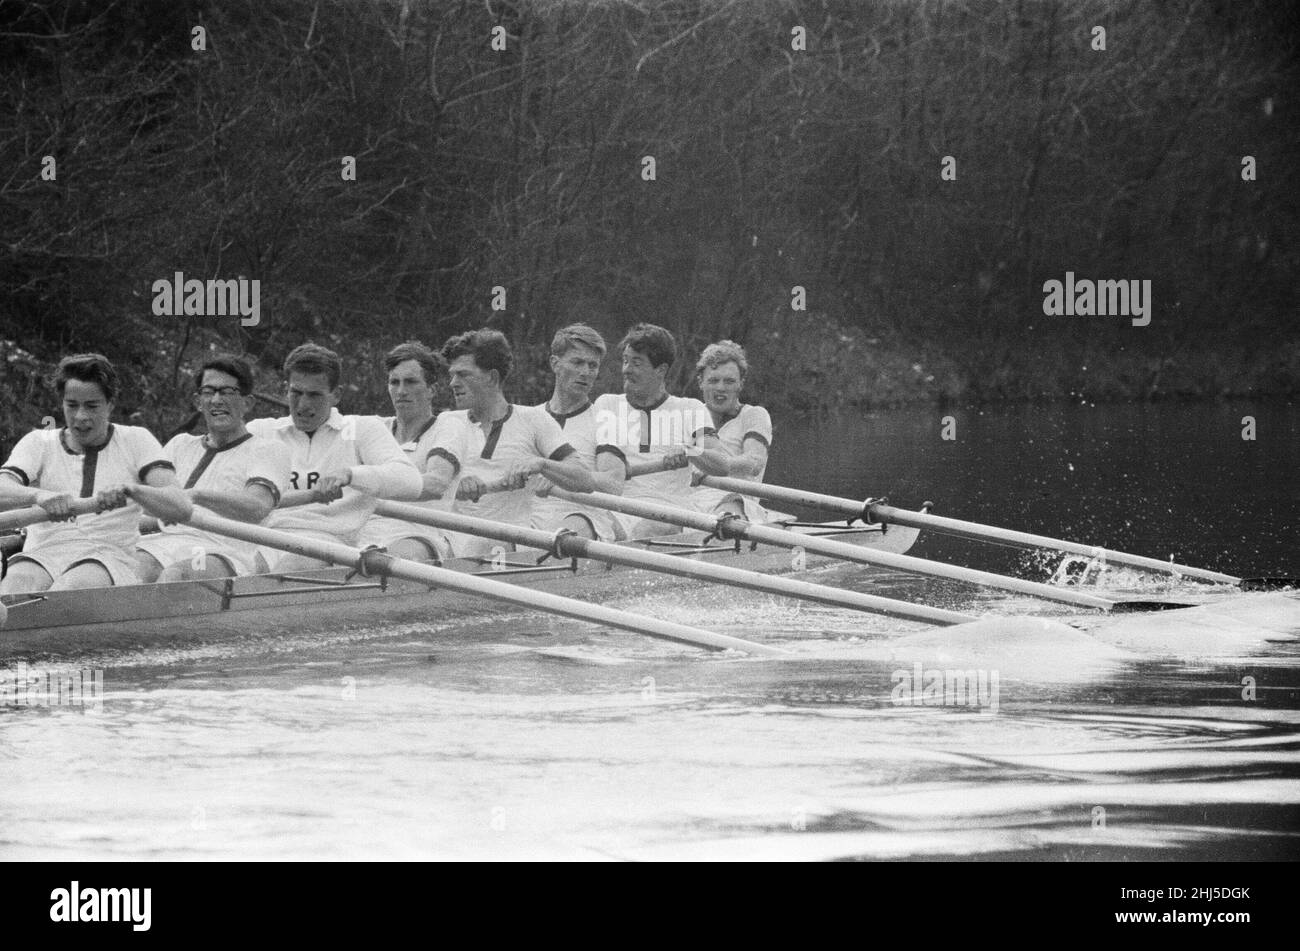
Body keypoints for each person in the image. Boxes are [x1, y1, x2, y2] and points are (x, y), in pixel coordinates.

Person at [0, 353, 178, 593]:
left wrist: (133, 490)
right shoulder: (39, 441)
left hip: (108, 556)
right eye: (72, 405)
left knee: (67, 591)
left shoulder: (137, 439)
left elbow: (178, 503)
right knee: (12, 589)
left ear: (110, 405)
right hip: (43, 553)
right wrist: (38, 497)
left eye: (91, 406)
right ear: (62, 403)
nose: (80, 416)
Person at [246, 343, 421, 570]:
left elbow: (411, 481)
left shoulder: (362, 429)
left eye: (314, 395)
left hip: (327, 542)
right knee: (232, 570)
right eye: (296, 393)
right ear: (285, 389)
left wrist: (350, 474)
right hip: (262, 537)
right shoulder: (261, 431)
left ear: (336, 395)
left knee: (285, 573)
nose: (303, 405)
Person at [429, 328, 594, 558]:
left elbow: (584, 479)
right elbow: (419, 483)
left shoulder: (533, 420)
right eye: (453, 375)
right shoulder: (446, 421)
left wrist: (541, 464)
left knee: (481, 547)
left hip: (508, 539)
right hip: (449, 538)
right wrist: (454, 485)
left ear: (493, 377)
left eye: (463, 375)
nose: (453, 383)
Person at [135, 355, 291, 581]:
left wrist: (195, 496)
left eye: (227, 392)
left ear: (247, 403)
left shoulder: (269, 450)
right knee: (135, 569)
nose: (216, 400)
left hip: (222, 552)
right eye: (209, 392)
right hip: (164, 543)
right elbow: (146, 510)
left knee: (174, 576)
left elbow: (257, 507)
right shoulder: (179, 445)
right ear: (198, 401)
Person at [591, 323, 731, 538]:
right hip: (615, 508)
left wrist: (690, 452)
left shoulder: (691, 409)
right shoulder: (606, 404)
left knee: (645, 531)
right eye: (626, 361)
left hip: (668, 513)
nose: (626, 369)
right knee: (585, 526)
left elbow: (721, 464)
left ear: (661, 370)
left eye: (637, 363)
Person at [356, 341, 466, 561]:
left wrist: (374, 482)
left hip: (420, 533)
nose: (401, 391)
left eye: (411, 382)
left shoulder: (448, 426)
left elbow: (436, 483)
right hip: (362, 532)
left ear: (432, 390)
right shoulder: (374, 426)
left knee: (384, 565)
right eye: (394, 382)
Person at [529, 324, 623, 540]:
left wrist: (559, 476)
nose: (586, 372)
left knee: (565, 535)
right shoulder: (528, 417)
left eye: (593, 365)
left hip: (583, 520)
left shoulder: (605, 421)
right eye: (577, 362)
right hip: (530, 519)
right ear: (555, 363)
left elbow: (613, 484)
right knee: (484, 544)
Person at [689, 340, 774, 521]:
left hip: (735, 501)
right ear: (701, 382)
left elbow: (754, 461)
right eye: (713, 380)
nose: (721, 388)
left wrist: (712, 465)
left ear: (740, 384)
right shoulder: (689, 417)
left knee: (728, 512)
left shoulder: (754, 415)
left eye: (729, 381)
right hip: (688, 502)